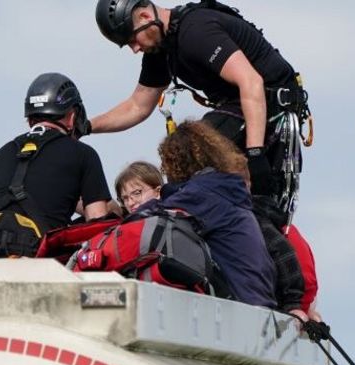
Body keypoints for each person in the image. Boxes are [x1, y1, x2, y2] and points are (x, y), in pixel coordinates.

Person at [91, 0, 310, 212]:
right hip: (239, 108)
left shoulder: (196, 32)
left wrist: (255, 154)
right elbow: (137, 106)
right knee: (186, 163)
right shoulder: (162, 48)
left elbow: (251, 82)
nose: (135, 49)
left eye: (132, 39)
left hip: (268, 105)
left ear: (145, 17)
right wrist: (86, 126)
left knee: (185, 148)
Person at [0, 73, 112, 258]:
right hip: (35, 257)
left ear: (30, 119)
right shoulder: (84, 154)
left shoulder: (3, 153)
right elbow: (97, 227)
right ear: (72, 117)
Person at [155, 120, 275, 308]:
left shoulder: (202, 194)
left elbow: (154, 217)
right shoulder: (225, 191)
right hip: (258, 300)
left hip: (242, 306)